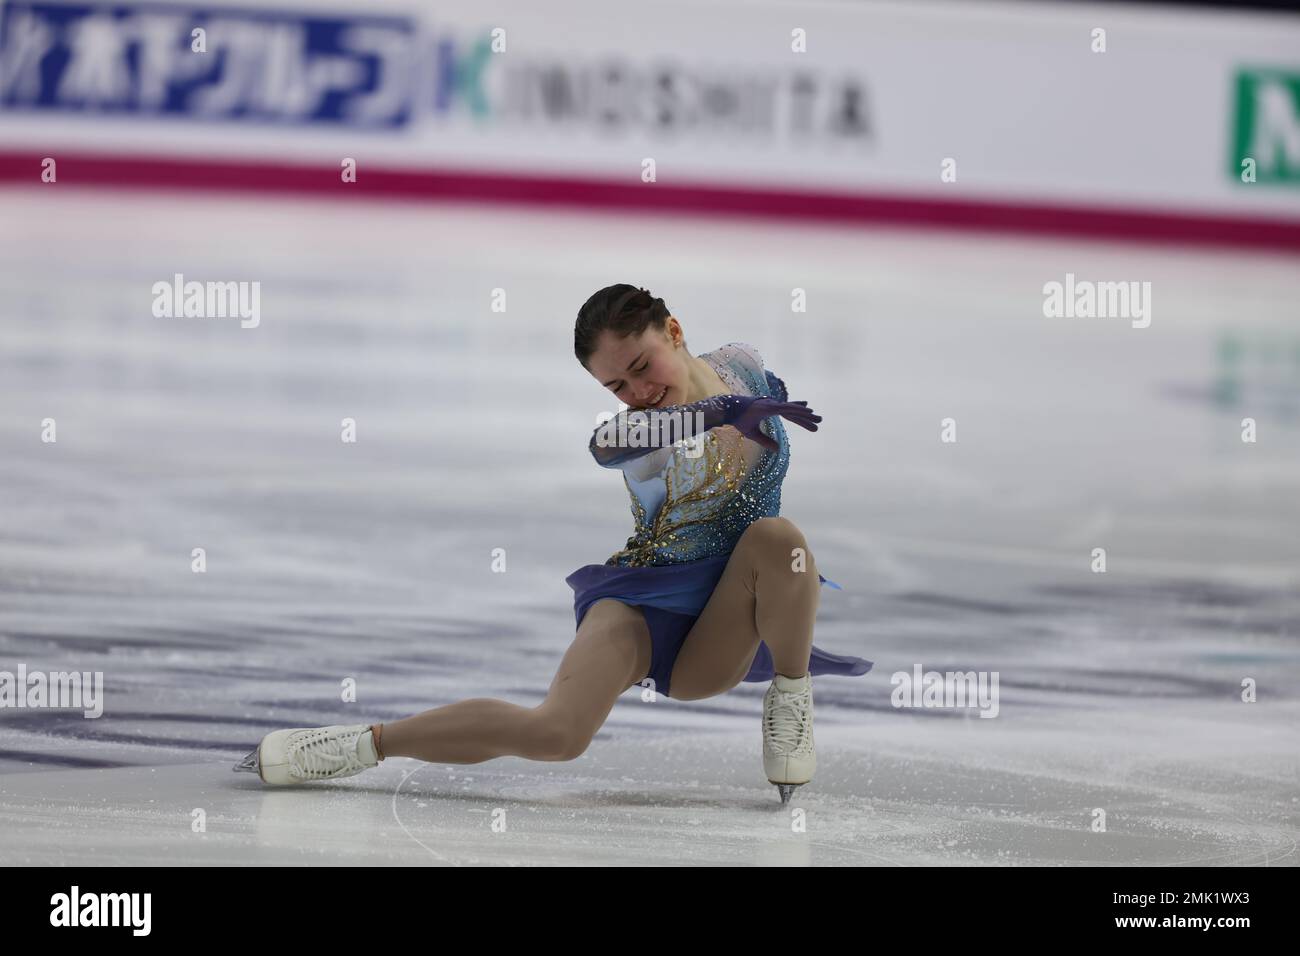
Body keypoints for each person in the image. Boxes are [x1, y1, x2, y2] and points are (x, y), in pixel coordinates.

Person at [235, 285, 871, 803]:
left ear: (674, 331)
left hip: (728, 620)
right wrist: (724, 412)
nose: (638, 392)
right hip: (645, 602)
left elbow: (763, 398)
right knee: (557, 733)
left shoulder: (744, 364)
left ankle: (791, 700)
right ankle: (355, 746)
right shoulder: (637, 435)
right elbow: (609, 446)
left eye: (643, 367)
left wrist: (750, 401)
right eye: (616, 386)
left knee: (780, 542)